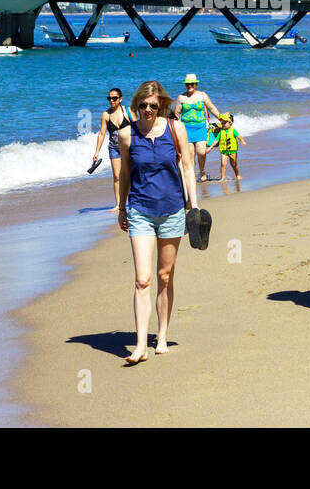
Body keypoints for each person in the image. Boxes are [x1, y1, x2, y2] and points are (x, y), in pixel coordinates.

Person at [117, 80, 199, 365]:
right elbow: (125, 173)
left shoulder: (176, 129)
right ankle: (140, 345)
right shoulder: (126, 135)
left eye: (154, 105)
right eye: (143, 105)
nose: (148, 110)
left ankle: (162, 335)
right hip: (139, 210)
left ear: (161, 105)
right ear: (136, 105)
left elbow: (187, 167)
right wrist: (121, 208)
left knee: (165, 277)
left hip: (173, 211)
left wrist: (195, 205)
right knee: (143, 279)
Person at [173, 74, 221, 182]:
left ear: (196, 84)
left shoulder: (202, 95)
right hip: (186, 129)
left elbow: (212, 107)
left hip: (200, 128)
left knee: (201, 152)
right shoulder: (181, 98)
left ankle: (202, 171)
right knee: (190, 155)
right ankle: (192, 175)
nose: (189, 86)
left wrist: (220, 118)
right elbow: (176, 114)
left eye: (192, 84)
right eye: (187, 84)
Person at [92, 87, 134, 208]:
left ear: (120, 99)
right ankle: (119, 204)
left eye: (114, 98)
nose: (111, 100)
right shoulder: (106, 115)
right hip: (114, 148)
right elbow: (101, 134)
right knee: (117, 176)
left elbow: (137, 127)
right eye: (109, 98)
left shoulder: (127, 111)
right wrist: (96, 152)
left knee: (130, 175)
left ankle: (133, 201)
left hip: (128, 147)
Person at [212, 113, 245, 181]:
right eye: (222, 123)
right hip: (224, 151)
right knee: (223, 164)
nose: (223, 124)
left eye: (225, 122)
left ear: (230, 123)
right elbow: (216, 140)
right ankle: (222, 177)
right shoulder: (221, 132)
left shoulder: (233, 131)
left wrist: (242, 141)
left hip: (232, 150)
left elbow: (239, 136)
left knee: (233, 164)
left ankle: (237, 175)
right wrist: (210, 147)